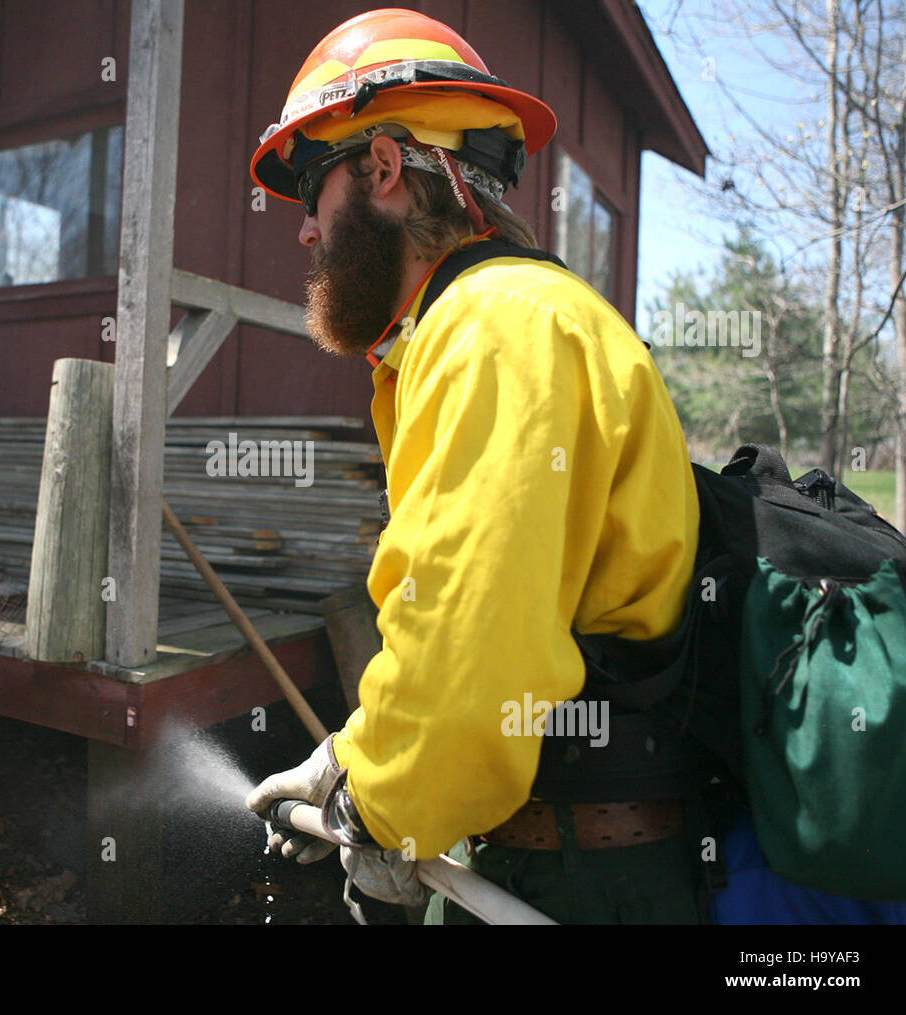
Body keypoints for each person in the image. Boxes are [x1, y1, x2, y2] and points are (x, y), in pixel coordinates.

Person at [243, 8, 717, 924]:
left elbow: (472, 671)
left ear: (382, 169)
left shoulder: (495, 329)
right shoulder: (513, 318)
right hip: (573, 852)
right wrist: (357, 754)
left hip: (584, 876)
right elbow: (458, 620)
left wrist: (378, 807)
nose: (304, 233)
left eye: (312, 191)